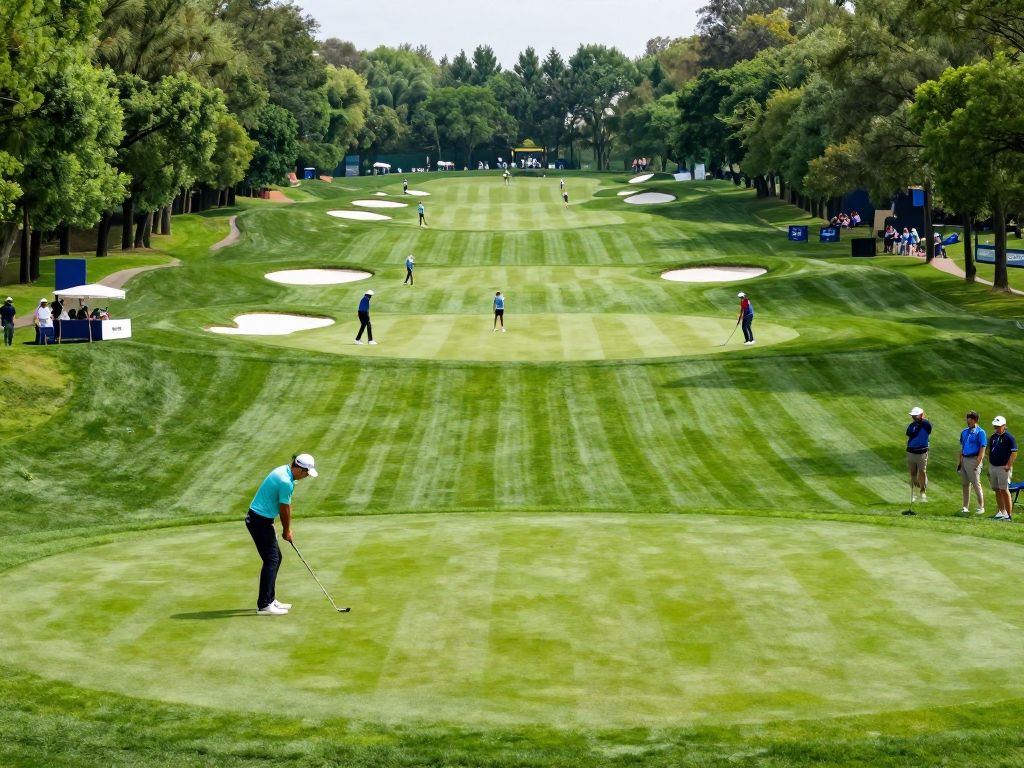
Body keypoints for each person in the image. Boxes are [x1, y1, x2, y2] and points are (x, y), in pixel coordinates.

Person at [245, 453, 318, 616]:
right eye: (306, 472)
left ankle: (270, 599)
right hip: (259, 521)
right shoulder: (286, 481)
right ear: (299, 469)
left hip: (261, 520)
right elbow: (285, 509)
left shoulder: (284, 471)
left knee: (275, 557)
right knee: (272, 559)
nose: (306, 476)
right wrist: (287, 531)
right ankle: (264, 604)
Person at [958, 410, 987, 516]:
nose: (968, 421)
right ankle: (965, 507)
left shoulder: (980, 432)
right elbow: (962, 447)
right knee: (965, 484)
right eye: (967, 419)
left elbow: (982, 448)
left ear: (975, 420)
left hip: (974, 460)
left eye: (970, 419)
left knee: (976, 484)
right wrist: (960, 462)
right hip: (965, 459)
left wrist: (978, 462)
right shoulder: (964, 432)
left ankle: (981, 507)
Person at [988, 416, 1017, 520]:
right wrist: (990, 466)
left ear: (1004, 426)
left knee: (1004, 490)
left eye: (998, 426)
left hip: (1003, 468)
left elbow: (1014, 453)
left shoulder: (1009, 438)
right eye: (995, 426)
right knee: (996, 490)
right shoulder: (993, 437)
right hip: (993, 466)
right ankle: (1001, 512)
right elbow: (990, 451)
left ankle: (1008, 515)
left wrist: (1008, 465)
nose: (996, 428)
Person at [905, 406, 932, 509]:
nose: (913, 417)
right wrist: (918, 423)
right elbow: (909, 433)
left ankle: (922, 492)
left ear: (920, 415)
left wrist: (922, 420)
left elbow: (929, 428)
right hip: (911, 452)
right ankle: (913, 494)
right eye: (912, 416)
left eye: (914, 416)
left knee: (922, 472)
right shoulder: (911, 426)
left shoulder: (926, 424)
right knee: (913, 474)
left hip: (922, 453)